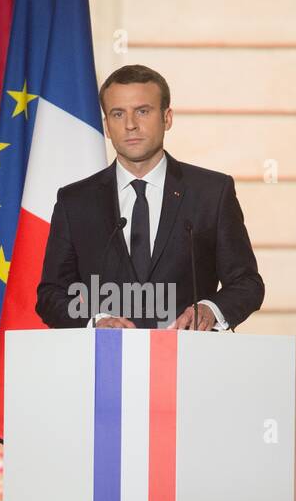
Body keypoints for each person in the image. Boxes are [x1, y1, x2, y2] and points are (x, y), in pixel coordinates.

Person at [35, 64, 265, 331]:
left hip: (187, 361)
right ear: (107, 126)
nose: (131, 125)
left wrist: (210, 309)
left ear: (167, 118)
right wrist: (94, 322)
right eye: (118, 114)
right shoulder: (75, 201)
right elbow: (51, 295)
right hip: (106, 362)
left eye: (142, 111)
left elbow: (247, 283)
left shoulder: (211, 192)